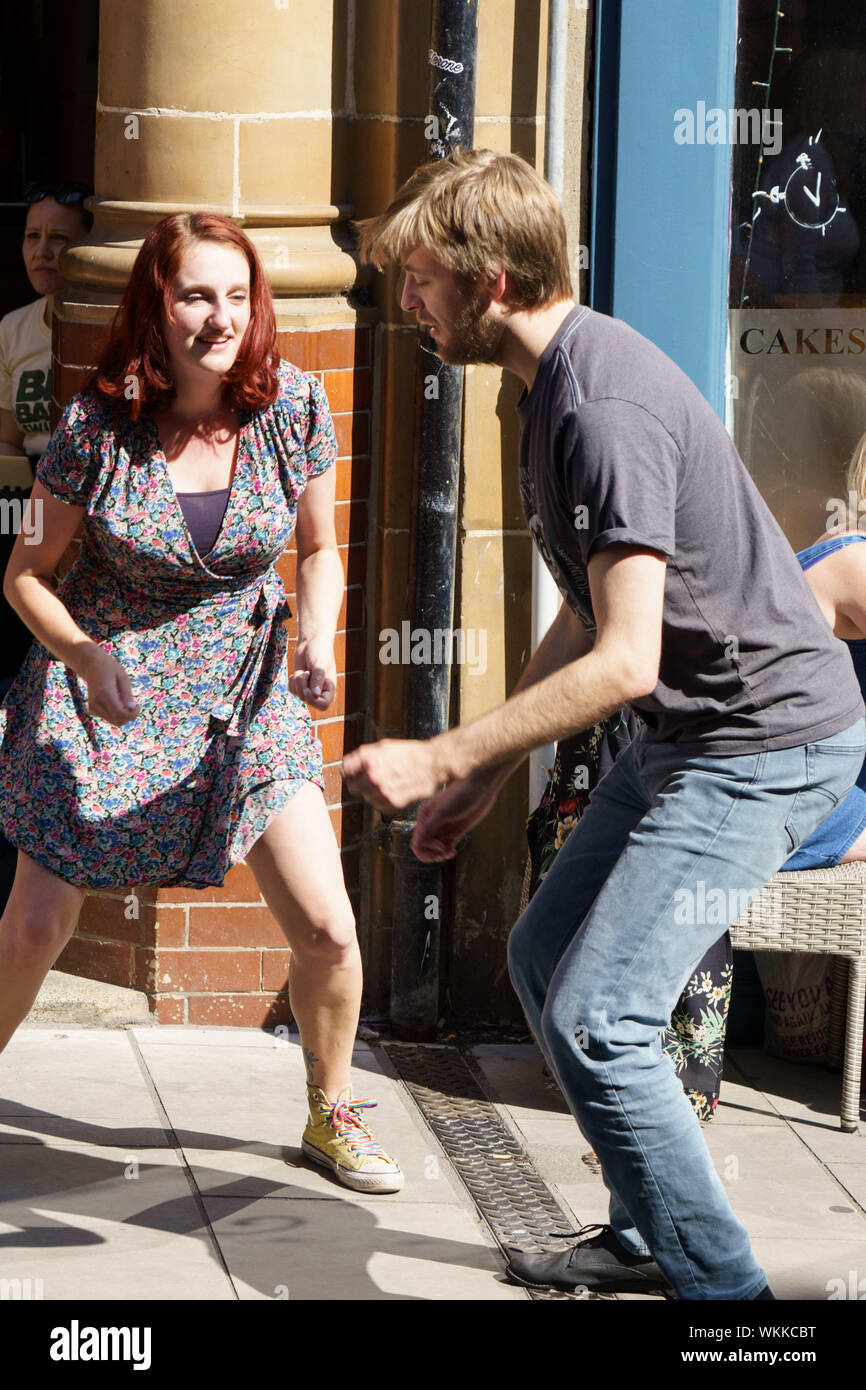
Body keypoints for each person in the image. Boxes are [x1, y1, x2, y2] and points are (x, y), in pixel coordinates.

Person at [343, 148, 866, 1298]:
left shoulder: (599, 405)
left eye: (422, 275)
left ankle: (729, 1300)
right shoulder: (542, 387)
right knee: (544, 957)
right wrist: (491, 768)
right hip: (689, 735)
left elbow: (625, 659)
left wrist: (445, 750)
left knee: (600, 1016)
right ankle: (644, 1230)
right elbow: (589, 609)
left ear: (489, 279)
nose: (407, 299)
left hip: (759, 744)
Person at [0, 211, 403, 1194]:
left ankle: (331, 1107)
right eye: (194, 295)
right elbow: (26, 574)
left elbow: (318, 552)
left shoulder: (294, 405)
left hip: (247, 682)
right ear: (156, 303)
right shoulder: (99, 425)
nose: (218, 316)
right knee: (36, 926)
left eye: (235, 294)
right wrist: (84, 656)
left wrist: (314, 639)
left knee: (327, 929)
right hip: (112, 677)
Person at [525, 709, 732, 1125]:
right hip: (619, 713)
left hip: (660, 713)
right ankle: (600, 1059)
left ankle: (667, 1075)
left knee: (679, 877)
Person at [0, 181, 93, 909]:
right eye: (33, 236)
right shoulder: (13, 328)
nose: (43, 251)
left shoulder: (99, 322)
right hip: (27, 508)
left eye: (60, 238)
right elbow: (6, 442)